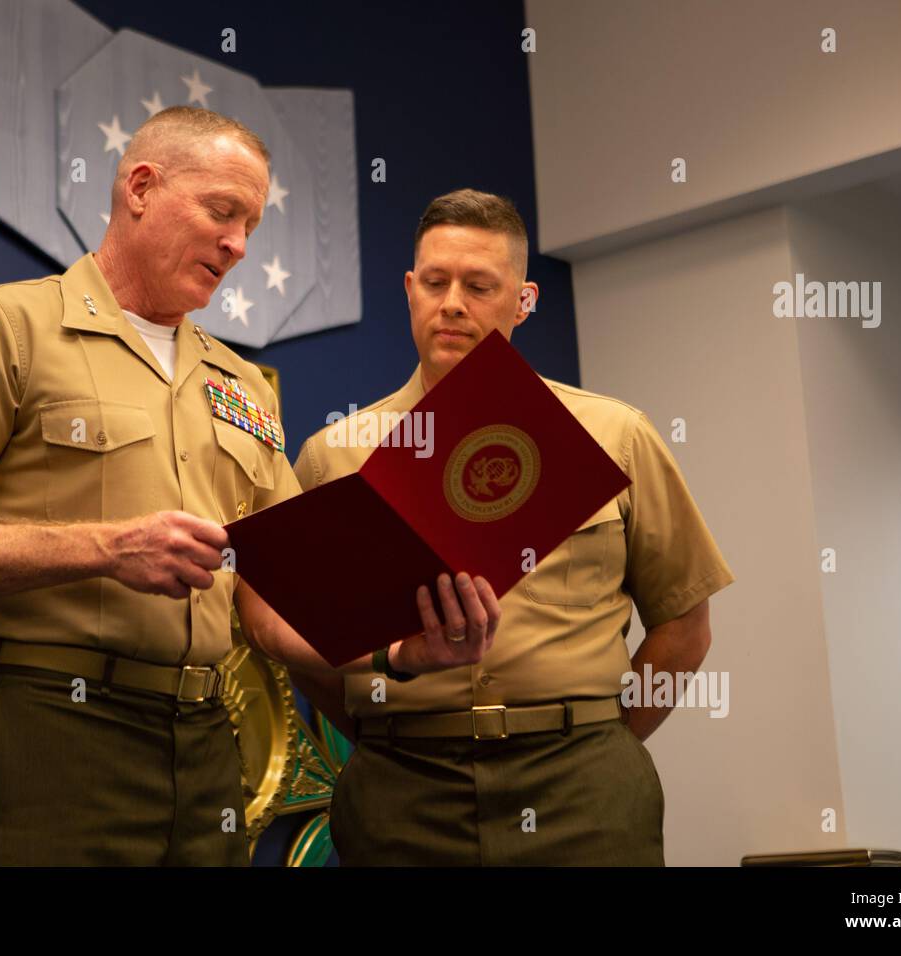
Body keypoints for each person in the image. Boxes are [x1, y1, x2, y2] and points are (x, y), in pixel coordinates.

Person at [0, 108, 498, 866]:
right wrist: (105, 548)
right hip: (53, 726)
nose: (238, 245)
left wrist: (397, 653)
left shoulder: (240, 383)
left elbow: (273, 601)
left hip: (207, 741)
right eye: (222, 212)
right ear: (140, 187)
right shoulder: (5, 327)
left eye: (251, 226)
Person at [292, 189, 736, 866]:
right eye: (435, 283)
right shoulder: (338, 455)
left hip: (582, 784)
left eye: (479, 286)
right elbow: (307, 640)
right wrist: (380, 730)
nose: (452, 304)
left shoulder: (611, 436)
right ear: (410, 289)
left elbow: (684, 624)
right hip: (401, 787)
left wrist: (607, 739)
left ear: (524, 300)